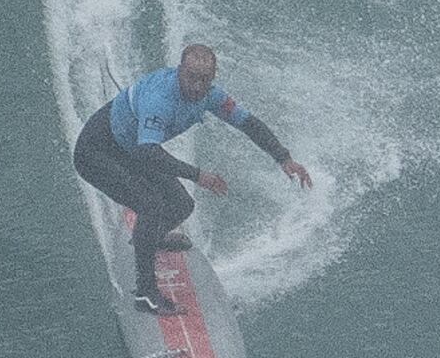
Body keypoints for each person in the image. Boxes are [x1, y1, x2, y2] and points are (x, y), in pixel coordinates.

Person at [73, 42, 311, 314]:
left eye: (205, 79)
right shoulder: (160, 99)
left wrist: (283, 158)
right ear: (179, 72)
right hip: (98, 152)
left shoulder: (211, 96)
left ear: (213, 77)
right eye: (191, 78)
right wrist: (198, 176)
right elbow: (149, 152)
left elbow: (247, 123)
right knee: (151, 206)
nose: (197, 86)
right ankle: (146, 295)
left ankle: (150, 238)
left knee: (181, 206)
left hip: (133, 149)